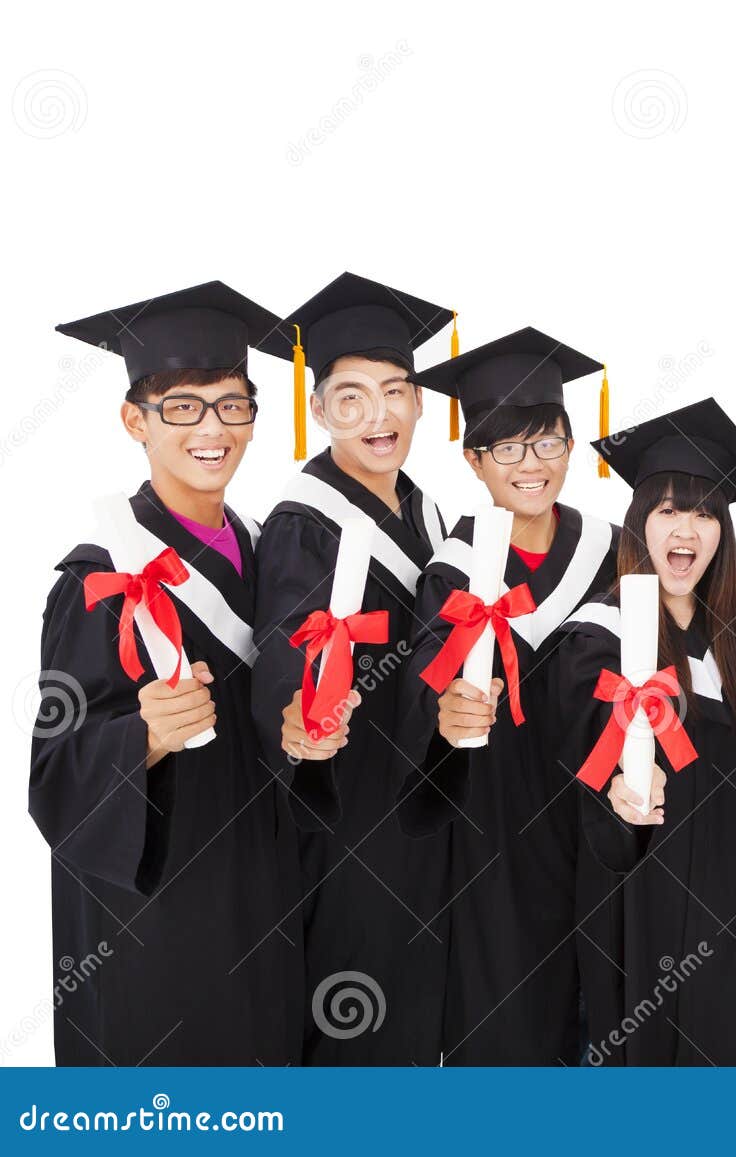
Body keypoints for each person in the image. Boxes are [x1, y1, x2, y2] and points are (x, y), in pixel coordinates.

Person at [31, 282, 300, 1064]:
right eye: (183, 406)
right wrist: (139, 738)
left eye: (232, 404)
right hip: (157, 931)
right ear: (135, 421)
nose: (212, 428)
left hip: (267, 904)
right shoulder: (97, 580)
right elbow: (54, 775)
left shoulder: (272, 554)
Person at [398, 326, 620, 1064]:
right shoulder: (454, 570)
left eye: (549, 441)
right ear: (473, 460)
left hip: (606, 831)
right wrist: (442, 714)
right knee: (509, 1030)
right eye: (508, 448)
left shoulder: (617, 550)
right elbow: (421, 684)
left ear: (570, 444)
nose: (533, 465)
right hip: (497, 849)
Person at [250, 272, 456, 1064]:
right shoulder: (304, 522)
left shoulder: (428, 510)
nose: (379, 415)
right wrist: (295, 717)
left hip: (425, 816)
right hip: (349, 831)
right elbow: (282, 646)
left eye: (396, 391)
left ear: (419, 404)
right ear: (317, 409)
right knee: (355, 1027)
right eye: (352, 397)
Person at [557, 398, 736, 1065]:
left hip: (735, 918)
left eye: (705, 511)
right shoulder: (601, 632)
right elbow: (590, 735)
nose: (687, 528)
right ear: (639, 522)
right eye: (669, 509)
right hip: (639, 912)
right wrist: (624, 785)